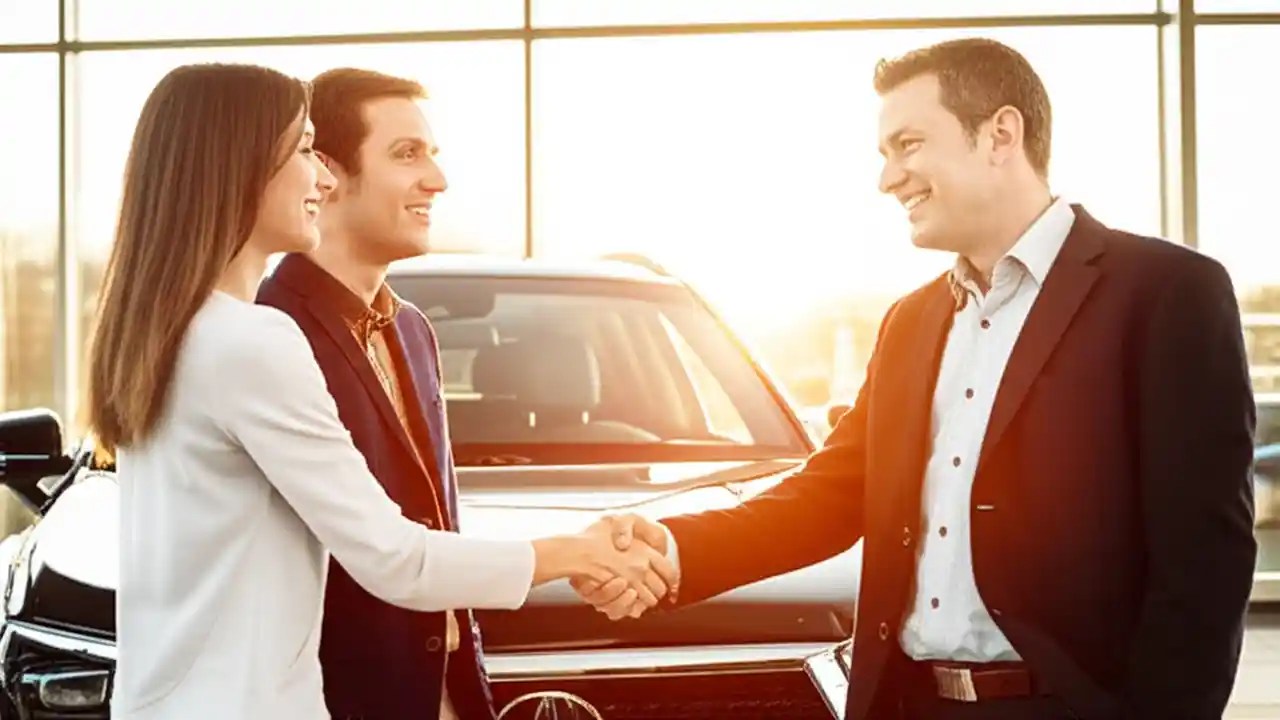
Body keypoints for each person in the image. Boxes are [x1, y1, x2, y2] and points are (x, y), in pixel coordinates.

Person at [578, 38, 1258, 720]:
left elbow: (1203, 565)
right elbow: (828, 497)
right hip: (907, 703)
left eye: (907, 144)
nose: (888, 178)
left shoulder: (1167, 294)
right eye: (885, 154)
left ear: (1000, 134)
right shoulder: (911, 321)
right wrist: (671, 547)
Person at [84, 63, 674, 720]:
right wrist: (578, 551)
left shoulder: (165, 334)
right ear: (239, 167)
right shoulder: (253, 340)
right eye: (306, 149)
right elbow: (395, 560)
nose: (323, 177)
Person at [255, 67, 656, 720]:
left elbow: (433, 519)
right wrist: (577, 552)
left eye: (433, 155)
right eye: (407, 154)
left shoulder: (412, 330)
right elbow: (383, 551)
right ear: (325, 173)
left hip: (450, 691)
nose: (436, 181)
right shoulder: (267, 334)